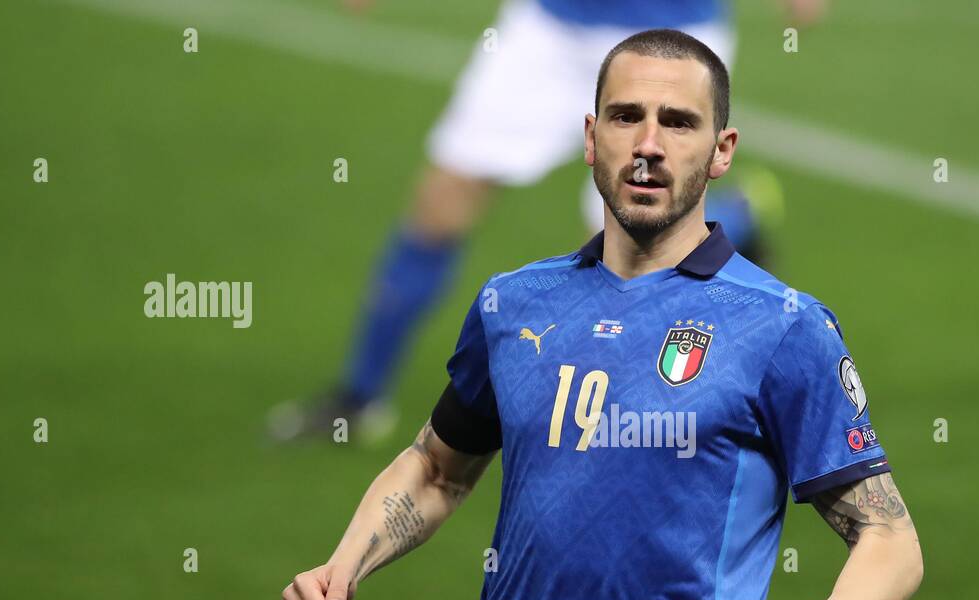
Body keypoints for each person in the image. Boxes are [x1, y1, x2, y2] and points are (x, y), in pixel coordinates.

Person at [278, 28, 921, 600]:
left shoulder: (782, 328)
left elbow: (891, 540)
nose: (648, 145)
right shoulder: (516, 305)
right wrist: (344, 566)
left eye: (678, 123)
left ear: (722, 151)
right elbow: (438, 466)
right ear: (590, 137)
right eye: (625, 117)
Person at [265, 0, 822, 445]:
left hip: (668, 35)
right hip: (547, 26)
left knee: (629, 228)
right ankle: (360, 398)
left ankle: (734, 218)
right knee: (442, 200)